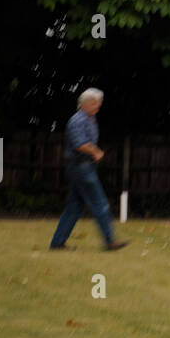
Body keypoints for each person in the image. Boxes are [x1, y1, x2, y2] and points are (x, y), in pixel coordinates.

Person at [49, 88, 127, 251]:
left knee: (74, 207)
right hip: (81, 166)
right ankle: (109, 241)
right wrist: (96, 151)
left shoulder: (91, 119)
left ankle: (57, 243)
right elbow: (80, 144)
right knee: (100, 203)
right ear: (86, 103)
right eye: (95, 103)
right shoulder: (78, 121)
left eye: (99, 102)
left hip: (84, 166)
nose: (98, 105)